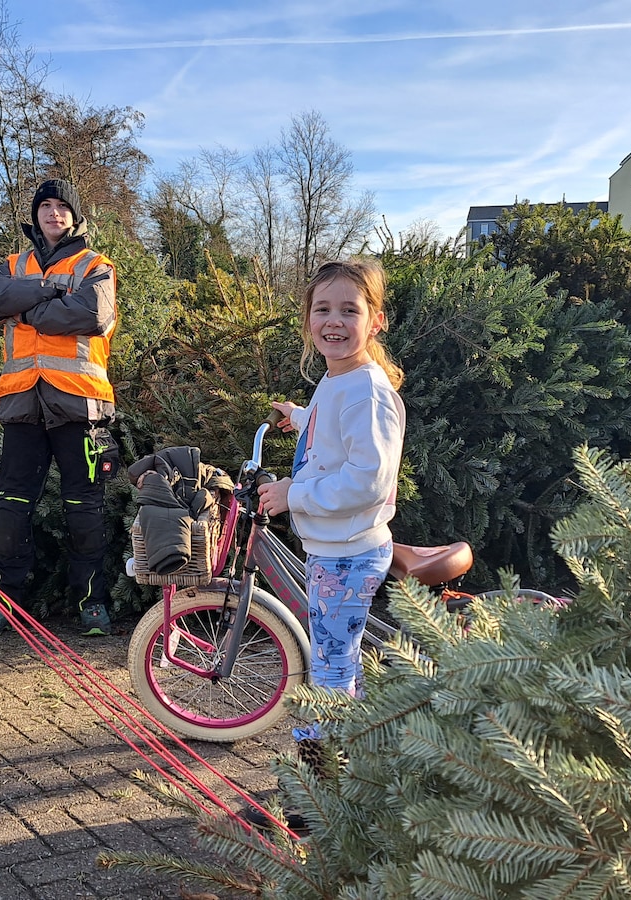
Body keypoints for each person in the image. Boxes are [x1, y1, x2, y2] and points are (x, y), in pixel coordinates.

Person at [245, 259, 405, 830]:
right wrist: (301, 415)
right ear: (308, 319)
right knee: (341, 661)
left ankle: (316, 801)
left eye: (349, 310)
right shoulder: (338, 381)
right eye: (322, 310)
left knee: (330, 672)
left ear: (376, 320)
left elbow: (369, 478)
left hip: (349, 551)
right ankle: (353, 772)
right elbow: (332, 423)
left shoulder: (367, 390)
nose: (333, 321)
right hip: (336, 549)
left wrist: (295, 493)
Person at [0, 179, 120, 638]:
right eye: (45, 206)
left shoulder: (96, 265)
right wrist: (50, 292)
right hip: (21, 402)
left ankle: (90, 603)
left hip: (80, 403)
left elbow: (91, 315)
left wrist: (26, 305)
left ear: (76, 216)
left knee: (84, 507)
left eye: (62, 207)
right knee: (12, 507)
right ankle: (5, 604)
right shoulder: (10, 265)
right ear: (34, 214)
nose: (53, 213)